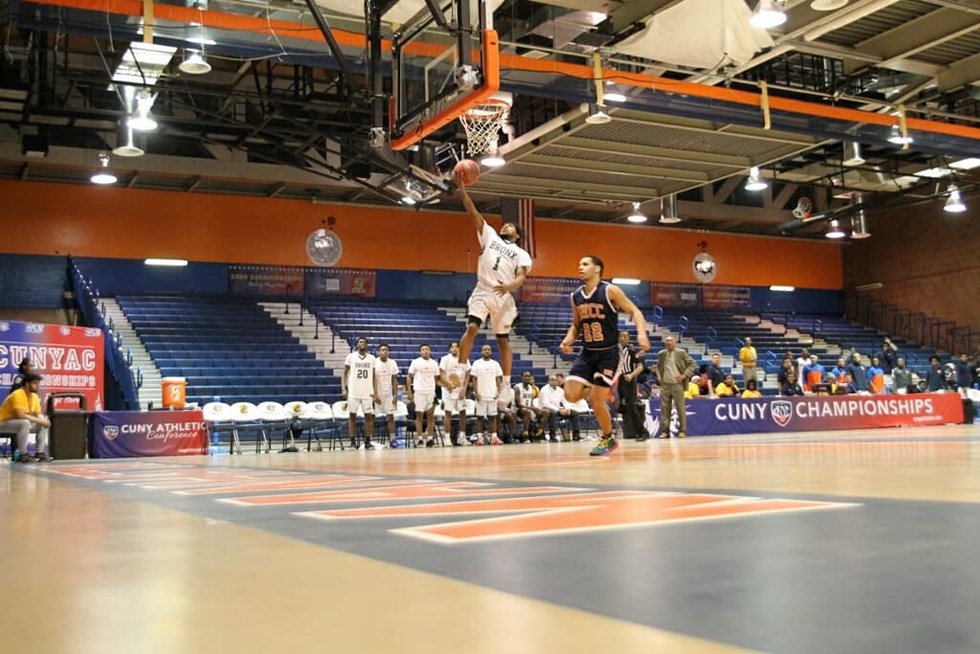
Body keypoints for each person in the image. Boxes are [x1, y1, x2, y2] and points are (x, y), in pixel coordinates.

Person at [559, 255, 649, 456]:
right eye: (579, 264)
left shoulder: (609, 290)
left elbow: (635, 312)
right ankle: (599, 389)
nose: (580, 267)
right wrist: (568, 340)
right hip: (587, 352)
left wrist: (642, 334)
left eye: (585, 264)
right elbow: (576, 325)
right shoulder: (575, 296)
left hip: (608, 353)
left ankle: (608, 437)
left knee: (596, 400)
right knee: (570, 395)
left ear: (597, 269)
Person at [455, 184, 532, 388]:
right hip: (483, 288)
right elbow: (473, 212)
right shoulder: (489, 235)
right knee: (471, 327)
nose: (505, 226)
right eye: (504, 225)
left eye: (510, 226)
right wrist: (462, 191)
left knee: (502, 340)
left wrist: (509, 286)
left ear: (517, 235)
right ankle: (460, 370)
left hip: (502, 294)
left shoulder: (521, 253)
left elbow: (521, 277)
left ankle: (506, 383)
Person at [0, 373, 52, 463]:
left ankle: (39, 453)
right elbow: (19, 415)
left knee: (41, 424)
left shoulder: (34, 396)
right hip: (3, 422)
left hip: (17, 424)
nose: (37, 386)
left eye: (38, 384)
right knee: (25, 423)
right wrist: (40, 420)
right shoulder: (17, 394)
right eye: (35, 383)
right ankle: (23, 454)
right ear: (27, 384)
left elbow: (38, 413)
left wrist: (43, 420)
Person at [342, 337, 380, 450]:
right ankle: (352, 442)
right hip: (353, 391)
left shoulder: (372, 358)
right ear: (357, 344)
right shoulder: (351, 357)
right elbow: (344, 373)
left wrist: (375, 391)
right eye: (360, 342)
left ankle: (367, 441)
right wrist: (344, 388)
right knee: (352, 416)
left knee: (369, 417)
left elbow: (374, 376)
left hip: (367, 391)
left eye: (364, 342)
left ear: (367, 345)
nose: (362, 343)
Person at [655, 335, 696, 440]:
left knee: (680, 408)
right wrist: (659, 377)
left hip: (677, 384)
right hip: (665, 385)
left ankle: (682, 430)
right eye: (667, 341)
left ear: (674, 343)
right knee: (664, 409)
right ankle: (665, 431)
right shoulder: (661, 354)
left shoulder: (681, 353)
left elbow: (693, 364)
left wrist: (684, 375)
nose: (668, 342)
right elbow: (658, 367)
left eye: (670, 341)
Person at [615, 330, 650, 442]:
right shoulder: (615, 350)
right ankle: (628, 418)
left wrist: (631, 375)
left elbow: (640, 367)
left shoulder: (631, 350)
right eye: (621, 336)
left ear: (628, 338)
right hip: (617, 379)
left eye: (625, 336)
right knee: (614, 405)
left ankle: (643, 432)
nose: (622, 338)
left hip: (628, 379)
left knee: (631, 407)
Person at [406, 343, 441, 447]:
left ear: (430, 351)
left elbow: (437, 379)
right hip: (419, 392)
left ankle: (430, 439)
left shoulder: (434, 363)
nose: (425, 351)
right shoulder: (415, 362)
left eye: (427, 349)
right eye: (423, 349)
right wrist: (409, 391)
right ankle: (420, 439)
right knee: (419, 417)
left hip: (431, 392)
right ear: (420, 352)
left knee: (431, 416)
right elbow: (409, 377)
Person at [468, 344, 504, 445]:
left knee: (493, 417)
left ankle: (494, 437)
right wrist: (476, 392)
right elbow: (474, 379)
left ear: (491, 352)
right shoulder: (477, 363)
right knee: (480, 417)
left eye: (488, 349)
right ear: (481, 352)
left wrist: (498, 390)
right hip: (481, 394)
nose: (487, 351)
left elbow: (498, 378)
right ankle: (480, 438)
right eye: (485, 349)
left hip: (492, 393)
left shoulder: (495, 364)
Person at [438, 341, 470, 446]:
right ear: (449, 349)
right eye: (452, 347)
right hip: (448, 390)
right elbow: (441, 374)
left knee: (463, 413)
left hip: (460, 390)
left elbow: (468, 374)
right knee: (448, 413)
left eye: (456, 347)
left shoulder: (464, 359)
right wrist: (449, 384)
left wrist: (464, 389)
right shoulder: (445, 359)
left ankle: (462, 437)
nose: (455, 349)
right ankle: (447, 438)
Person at [538, 374, 581, 442]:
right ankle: (553, 435)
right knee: (553, 413)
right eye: (552, 380)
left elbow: (565, 401)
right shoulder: (544, 390)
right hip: (544, 410)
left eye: (555, 380)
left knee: (574, 413)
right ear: (548, 381)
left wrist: (567, 409)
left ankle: (576, 435)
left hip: (557, 409)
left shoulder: (560, 390)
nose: (554, 381)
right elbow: (546, 403)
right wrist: (558, 410)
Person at [373, 343, 399, 441]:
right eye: (382, 350)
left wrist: (395, 394)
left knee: (391, 417)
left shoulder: (393, 363)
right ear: (379, 352)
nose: (384, 351)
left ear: (388, 352)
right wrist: (375, 394)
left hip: (388, 394)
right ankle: (369, 440)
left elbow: (394, 380)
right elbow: (372, 379)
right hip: (377, 395)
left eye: (386, 350)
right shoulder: (374, 362)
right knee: (371, 417)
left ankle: (392, 439)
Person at [513, 371, 544, 442]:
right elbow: (518, 404)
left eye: (529, 376)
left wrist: (535, 408)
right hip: (518, 410)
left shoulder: (531, 388)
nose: (527, 378)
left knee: (544, 412)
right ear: (521, 377)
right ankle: (525, 434)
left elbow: (531, 402)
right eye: (525, 376)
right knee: (527, 412)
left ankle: (539, 433)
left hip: (528, 409)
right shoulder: (517, 387)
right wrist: (531, 408)